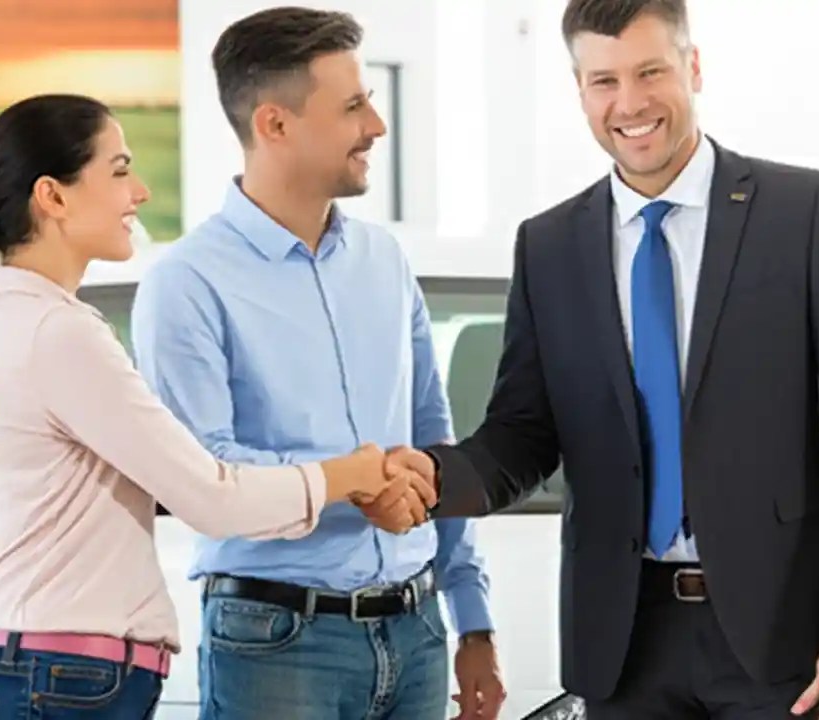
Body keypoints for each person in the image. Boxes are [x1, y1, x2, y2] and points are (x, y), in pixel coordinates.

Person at [392, 1, 819, 718]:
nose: (630, 103)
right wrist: (436, 477)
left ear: (693, 67)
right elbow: (524, 433)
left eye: (650, 72)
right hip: (624, 643)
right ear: (579, 89)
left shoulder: (804, 213)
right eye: (603, 81)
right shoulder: (549, 247)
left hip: (784, 642)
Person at [0, 93, 397, 720]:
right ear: (51, 196)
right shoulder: (55, 334)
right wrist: (347, 476)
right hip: (56, 685)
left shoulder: (9, 322)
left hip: (43, 677)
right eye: (118, 170)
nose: (140, 192)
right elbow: (211, 496)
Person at [129, 8, 505, 720]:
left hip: (418, 630)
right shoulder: (187, 284)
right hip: (279, 645)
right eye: (354, 106)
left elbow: (436, 440)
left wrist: (472, 616)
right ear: (275, 124)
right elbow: (209, 472)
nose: (377, 128)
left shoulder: (384, 261)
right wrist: (355, 483)